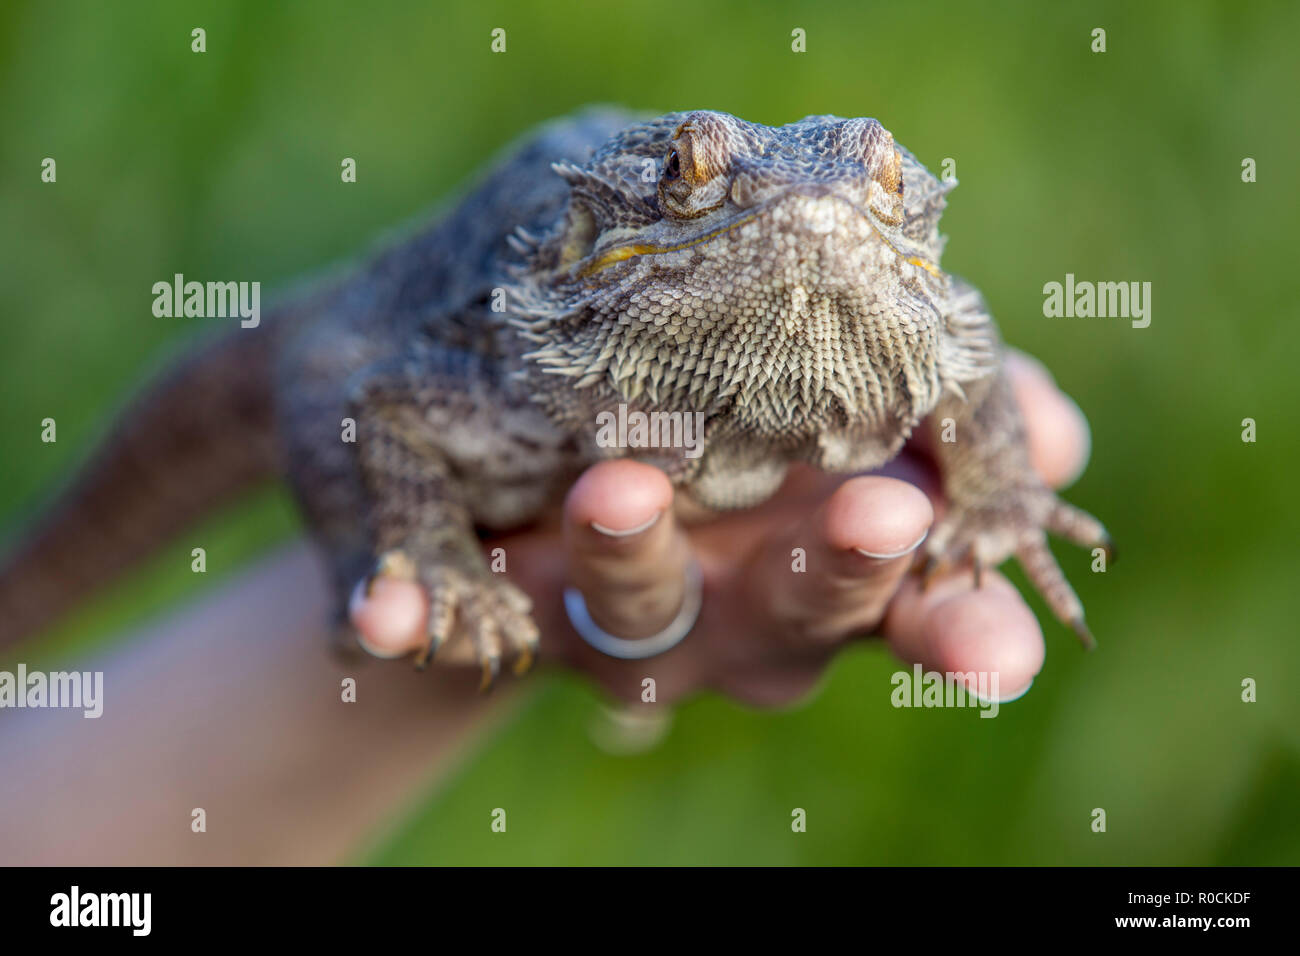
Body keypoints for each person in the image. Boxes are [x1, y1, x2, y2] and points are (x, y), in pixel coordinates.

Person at [0, 352, 1090, 864]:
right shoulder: (511, 357)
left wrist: (991, 486)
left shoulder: (880, 310)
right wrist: (419, 556)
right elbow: (373, 396)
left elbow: (962, 351)